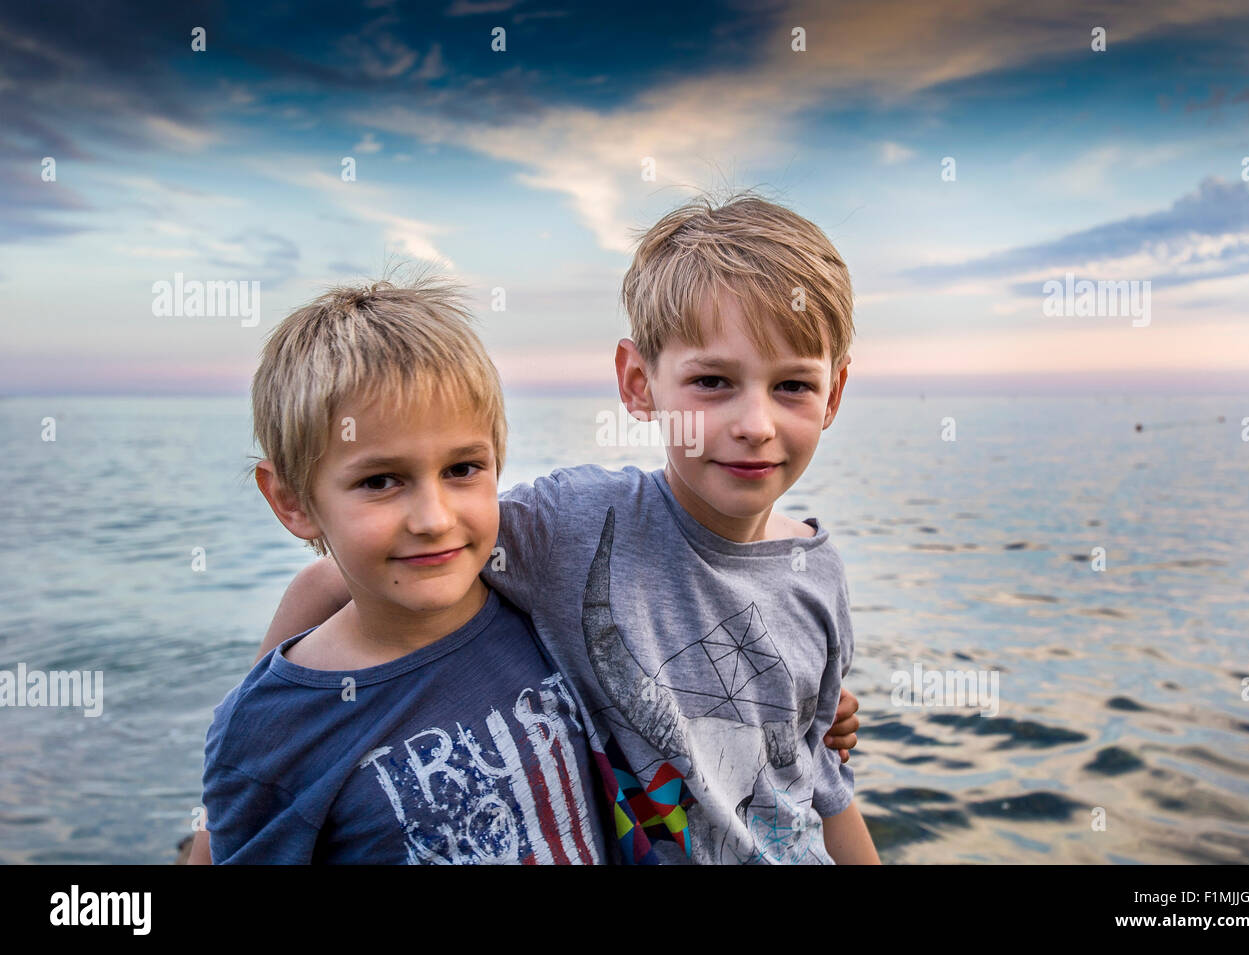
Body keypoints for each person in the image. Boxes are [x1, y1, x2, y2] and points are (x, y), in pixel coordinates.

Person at [229, 193, 880, 865]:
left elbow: (825, 786)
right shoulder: (572, 526)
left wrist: (804, 702)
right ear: (637, 381)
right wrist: (267, 721)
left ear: (833, 394)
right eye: (712, 380)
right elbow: (369, 562)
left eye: (793, 386)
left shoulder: (817, 571)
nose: (755, 424)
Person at [198, 278, 604, 864]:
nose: (434, 519)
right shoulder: (272, 730)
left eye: (463, 468)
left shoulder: (547, 605)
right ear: (292, 501)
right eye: (380, 481)